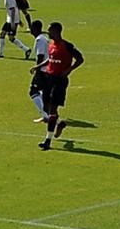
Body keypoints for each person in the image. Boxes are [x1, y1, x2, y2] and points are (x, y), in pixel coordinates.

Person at [34, 22, 85, 150]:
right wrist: (38, 66)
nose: (49, 32)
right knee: (47, 107)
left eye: (50, 30)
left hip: (59, 80)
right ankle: (59, 124)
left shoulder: (67, 46)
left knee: (52, 110)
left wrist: (69, 69)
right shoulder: (51, 45)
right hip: (49, 78)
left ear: (57, 31)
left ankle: (47, 140)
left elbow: (80, 59)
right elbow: (50, 59)